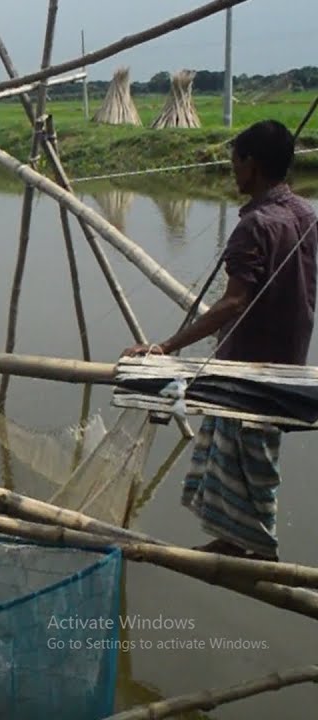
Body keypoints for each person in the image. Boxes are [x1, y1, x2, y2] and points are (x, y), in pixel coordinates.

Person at [121, 119, 317, 562]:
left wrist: (167, 347)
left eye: (236, 163)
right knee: (242, 451)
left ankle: (259, 548)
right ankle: (236, 540)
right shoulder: (305, 214)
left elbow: (233, 304)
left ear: (253, 164)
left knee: (249, 455)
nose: (233, 171)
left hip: (248, 364)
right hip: (288, 358)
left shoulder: (257, 225)